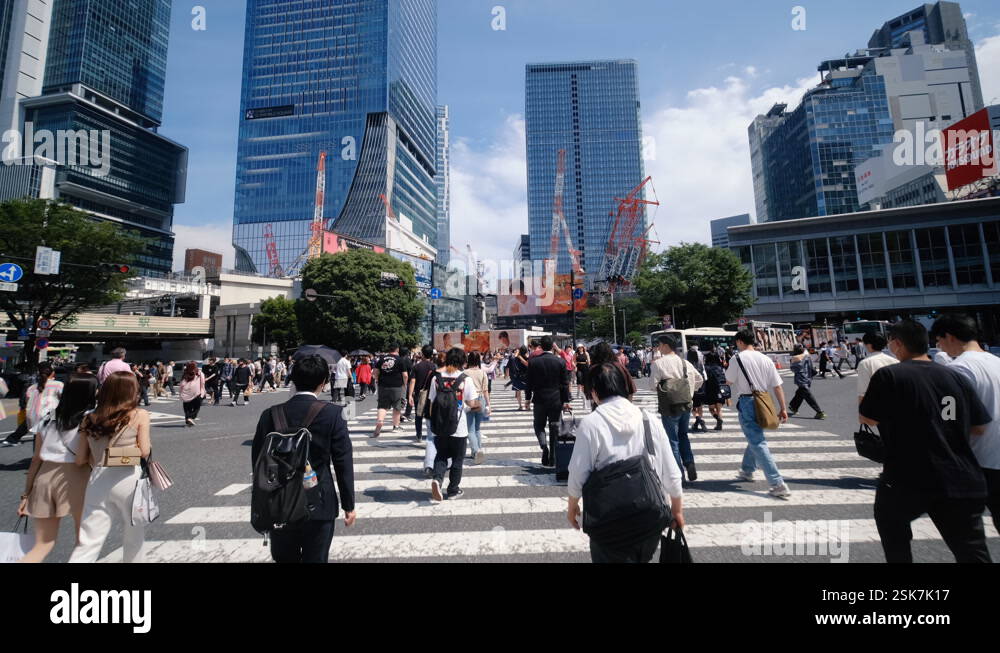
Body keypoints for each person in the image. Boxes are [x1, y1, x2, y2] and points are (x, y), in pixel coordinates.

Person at [860, 320, 992, 563]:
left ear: (897, 344)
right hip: (960, 475)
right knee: (971, 551)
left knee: (893, 532)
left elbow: (868, 418)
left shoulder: (890, 375)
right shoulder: (955, 375)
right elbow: (979, 427)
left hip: (907, 476)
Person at [566, 363, 684, 563]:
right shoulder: (649, 419)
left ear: (594, 393)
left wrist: (572, 506)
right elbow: (672, 473)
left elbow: (578, 473)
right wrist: (677, 510)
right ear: (624, 387)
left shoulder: (591, 424)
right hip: (648, 517)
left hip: (608, 520)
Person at [250, 355, 356, 563]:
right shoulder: (333, 414)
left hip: (279, 501)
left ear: (293, 379)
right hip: (318, 501)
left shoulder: (270, 415)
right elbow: (343, 462)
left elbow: (257, 461)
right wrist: (348, 505)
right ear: (324, 382)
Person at [68, 372, 152, 563]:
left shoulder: (89, 418)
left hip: (98, 478)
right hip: (128, 476)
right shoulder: (139, 414)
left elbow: (80, 458)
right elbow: (145, 451)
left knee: (89, 539)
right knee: (134, 534)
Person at [16, 374, 98, 562]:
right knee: (83, 542)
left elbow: (36, 459)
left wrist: (26, 495)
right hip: (78, 479)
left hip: (44, 477)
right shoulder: (90, 419)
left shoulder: (48, 418)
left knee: (43, 545)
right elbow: (83, 458)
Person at [931, 314, 1000, 535]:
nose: (940, 347)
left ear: (949, 337)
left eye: (939, 341)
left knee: (968, 536)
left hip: (979, 461)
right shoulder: (996, 362)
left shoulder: (956, 370)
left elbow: (949, 420)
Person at [726, 329, 792, 499]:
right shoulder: (765, 359)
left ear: (740, 342)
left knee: (757, 440)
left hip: (747, 400)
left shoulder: (737, 358)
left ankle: (777, 483)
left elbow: (729, 380)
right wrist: (783, 408)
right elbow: (777, 385)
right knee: (755, 436)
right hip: (764, 399)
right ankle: (747, 470)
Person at [428, 348, 480, 501]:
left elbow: (431, 401)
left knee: (441, 455)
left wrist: (433, 422)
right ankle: (452, 490)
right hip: (459, 425)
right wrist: (476, 406)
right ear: (462, 361)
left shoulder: (436, 378)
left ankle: (437, 480)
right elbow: (472, 403)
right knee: (458, 459)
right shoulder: (465, 379)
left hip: (440, 424)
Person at [650, 335, 704, 482]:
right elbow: (699, 379)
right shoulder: (684, 362)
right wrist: (689, 390)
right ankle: (689, 462)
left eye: (660, 345)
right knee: (683, 435)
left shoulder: (659, 363)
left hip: (669, 406)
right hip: (686, 403)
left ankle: (679, 474)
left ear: (666, 346)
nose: (659, 348)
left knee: (672, 440)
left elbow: (652, 386)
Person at [526, 336, 571, 468]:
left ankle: (544, 446)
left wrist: (528, 398)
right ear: (552, 346)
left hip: (539, 398)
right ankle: (553, 458)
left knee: (539, 425)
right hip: (556, 399)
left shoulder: (534, 362)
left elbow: (529, 382)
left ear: (541, 346)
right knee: (554, 426)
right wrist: (566, 401)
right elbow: (564, 384)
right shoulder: (560, 362)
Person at [3, 362, 63, 447]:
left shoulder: (32, 387)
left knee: (38, 439)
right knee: (51, 438)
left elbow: (28, 402)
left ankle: (35, 456)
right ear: (52, 373)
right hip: (51, 414)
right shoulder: (58, 385)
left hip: (34, 414)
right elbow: (63, 400)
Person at [372, 343, 410, 437]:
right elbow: (405, 375)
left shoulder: (381, 359)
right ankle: (396, 426)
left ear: (389, 349)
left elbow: (375, 372)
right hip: (397, 386)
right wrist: (405, 384)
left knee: (382, 406)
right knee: (397, 406)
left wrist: (377, 380)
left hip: (383, 386)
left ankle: (380, 421)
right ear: (397, 350)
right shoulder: (400, 360)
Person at [856, 332, 898, 405]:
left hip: (877, 405)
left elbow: (863, 392)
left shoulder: (865, 363)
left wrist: (862, 413)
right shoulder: (895, 361)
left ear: (869, 345)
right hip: (896, 402)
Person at [464, 351, 490, 465]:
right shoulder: (482, 372)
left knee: (470, 429)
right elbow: (486, 391)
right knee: (477, 428)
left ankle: (476, 450)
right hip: (481, 399)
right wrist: (489, 405)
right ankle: (477, 450)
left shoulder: (465, 372)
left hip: (470, 400)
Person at [408, 345, 437, 445]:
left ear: (422, 354)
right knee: (431, 415)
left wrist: (410, 395)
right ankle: (432, 434)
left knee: (418, 415)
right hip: (431, 395)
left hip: (419, 394)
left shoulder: (417, 366)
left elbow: (412, 381)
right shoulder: (434, 367)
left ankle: (419, 435)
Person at [788, 345, 826, 419]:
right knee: (804, 394)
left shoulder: (795, 358)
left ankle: (794, 406)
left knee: (804, 394)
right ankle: (794, 406)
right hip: (808, 378)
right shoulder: (807, 356)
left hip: (801, 379)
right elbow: (811, 367)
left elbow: (793, 369)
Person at [702, 352, 728, 430]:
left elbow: (704, 380)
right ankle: (719, 424)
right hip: (720, 390)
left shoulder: (706, 368)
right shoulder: (720, 368)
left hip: (710, 391)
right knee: (719, 409)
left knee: (711, 409)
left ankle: (718, 419)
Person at [179, 361, 206, 427]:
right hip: (196, 393)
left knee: (187, 408)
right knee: (196, 407)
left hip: (186, 393)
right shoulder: (199, 373)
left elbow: (182, 384)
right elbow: (202, 383)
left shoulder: (185, 373)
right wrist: (203, 391)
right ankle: (190, 417)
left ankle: (188, 418)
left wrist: (180, 393)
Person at [687, 349, 708, 432]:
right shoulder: (700, 364)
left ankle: (699, 419)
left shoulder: (687, 364)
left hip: (692, 388)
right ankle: (697, 423)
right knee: (700, 406)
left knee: (692, 407)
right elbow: (705, 376)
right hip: (701, 387)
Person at [508, 345, 530, 411]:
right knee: (527, 392)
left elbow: (512, 360)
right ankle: (528, 406)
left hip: (518, 376)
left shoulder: (516, 358)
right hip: (527, 377)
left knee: (518, 392)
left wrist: (516, 355)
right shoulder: (528, 358)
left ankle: (520, 405)